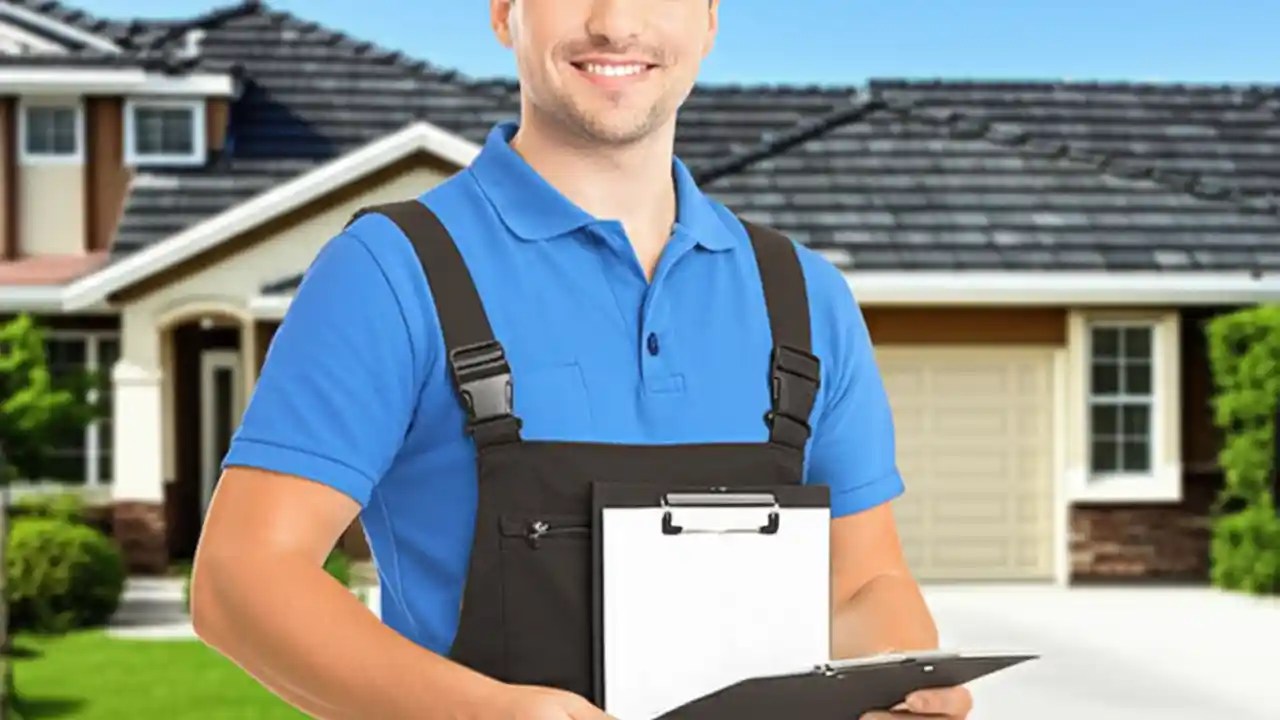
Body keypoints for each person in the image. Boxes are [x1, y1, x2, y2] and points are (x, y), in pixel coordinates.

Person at [189, 1, 974, 719]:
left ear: (709, 18)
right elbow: (243, 578)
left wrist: (899, 684)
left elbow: (860, 584)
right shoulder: (391, 271)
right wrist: (481, 714)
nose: (616, 22)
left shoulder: (803, 296)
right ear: (505, 12)